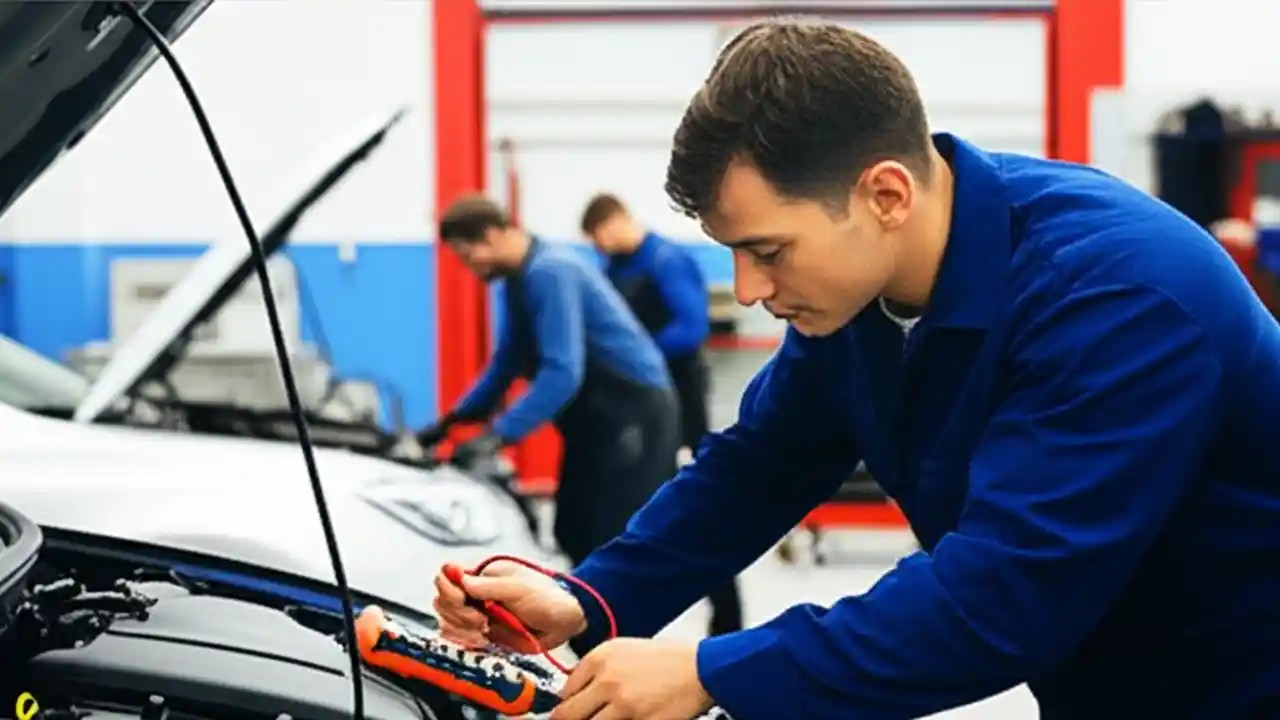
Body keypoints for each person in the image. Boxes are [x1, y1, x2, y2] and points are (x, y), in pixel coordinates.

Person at [432, 18, 1280, 720]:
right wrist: (588, 599)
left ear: (885, 196)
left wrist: (711, 672)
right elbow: (759, 466)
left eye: (769, 251)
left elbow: (1002, 598)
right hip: (1108, 678)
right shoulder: (861, 296)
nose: (748, 290)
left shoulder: (1117, 298)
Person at [417, 194, 679, 589]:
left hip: (633, 412)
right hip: (598, 418)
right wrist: (452, 421)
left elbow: (562, 372)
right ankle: (592, 622)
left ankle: (713, 615)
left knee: (615, 540)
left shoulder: (551, 272)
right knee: (572, 530)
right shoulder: (519, 280)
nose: (471, 269)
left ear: (491, 235)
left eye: (469, 257)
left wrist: (498, 436)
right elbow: (507, 362)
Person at [580, 192, 745, 637]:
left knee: (700, 506)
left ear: (617, 220)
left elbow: (692, 327)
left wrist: (636, 356)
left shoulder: (667, 261)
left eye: (599, 236)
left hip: (681, 399)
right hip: (635, 407)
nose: (600, 247)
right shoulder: (615, 268)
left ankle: (727, 617)